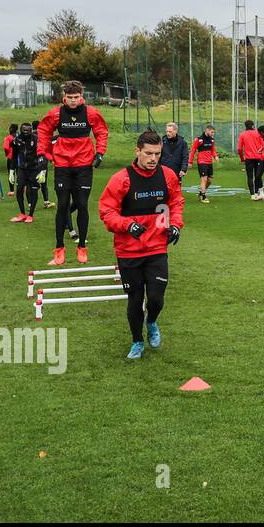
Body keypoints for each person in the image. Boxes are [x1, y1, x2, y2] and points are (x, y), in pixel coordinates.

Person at [98, 129, 184, 359]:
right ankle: (137, 341)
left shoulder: (168, 176)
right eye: (148, 153)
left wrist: (175, 225)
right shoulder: (121, 179)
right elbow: (106, 212)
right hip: (129, 252)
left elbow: (176, 202)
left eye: (157, 153)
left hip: (157, 248)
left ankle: (152, 321)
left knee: (156, 298)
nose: (153, 158)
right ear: (137, 151)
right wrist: (127, 225)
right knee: (135, 300)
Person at [37, 79, 109, 265]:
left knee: (82, 205)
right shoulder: (56, 113)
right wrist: (44, 153)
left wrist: (100, 152)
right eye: (69, 97)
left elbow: (101, 131)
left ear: (81, 97)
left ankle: (82, 247)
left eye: (76, 97)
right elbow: (44, 131)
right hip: (62, 165)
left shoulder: (91, 113)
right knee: (62, 205)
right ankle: (59, 250)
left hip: (84, 165)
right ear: (64, 98)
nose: (73, 101)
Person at [10, 121, 42, 224]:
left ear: (31, 130)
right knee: (19, 189)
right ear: (20, 130)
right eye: (24, 131)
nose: (26, 132)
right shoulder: (17, 140)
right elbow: (14, 156)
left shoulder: (36, 139)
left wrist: (42, 170)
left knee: (33, 191)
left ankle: (31, 215)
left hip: (34, 169)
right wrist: (11, 170)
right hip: (22, 169)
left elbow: (42, 154)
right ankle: (22, 213)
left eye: (28, 131)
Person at [188, 124, 219, 203]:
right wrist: (190, 162)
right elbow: (193, 151)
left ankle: (201, 193)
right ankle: (204, 197)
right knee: (204, 179)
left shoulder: (212, 140)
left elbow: (213, 150)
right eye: (212, 132)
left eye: (213, 132)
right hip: (202, 162)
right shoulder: (198, 140)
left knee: (210, 180)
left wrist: (215, 156)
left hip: (209, 162)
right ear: (207, 130)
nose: (213, 134)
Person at [236, 119, 264, 200]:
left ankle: (252, 195)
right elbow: (263, 146)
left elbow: (239, 149)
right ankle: (257, 193)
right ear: (253, 125)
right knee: (258, 176)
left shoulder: (242, 134)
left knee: (250, 177)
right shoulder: (258, 133)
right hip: (258, 158)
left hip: (248, 159)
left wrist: (242, 159)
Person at [35, 119, 52, 208]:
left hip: (33, 160)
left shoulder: (29, 136)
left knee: (34, 184)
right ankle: (46, 202)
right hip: (41, 160)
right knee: (42, 183)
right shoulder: (41, 136)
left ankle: (31, 204)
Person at [3, 123, 17, 197]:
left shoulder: (8, 138)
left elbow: (6, 147)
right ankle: (21, 187)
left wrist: (6, 154)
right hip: (19, 158)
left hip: (11, 158)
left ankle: (12, 190)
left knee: (11, 174)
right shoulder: (19, 137)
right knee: (20, 173)